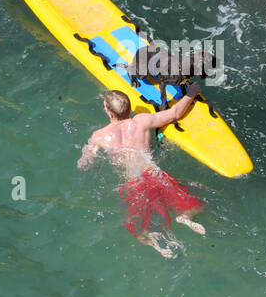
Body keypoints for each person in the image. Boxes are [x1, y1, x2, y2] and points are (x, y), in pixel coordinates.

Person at [77, 86, 206, 257]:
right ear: (129, 108)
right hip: (154, 173)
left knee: (140, 227)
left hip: (134, 183)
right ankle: (185, 217)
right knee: (195, 206)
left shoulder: (99, 136)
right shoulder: (141, 121)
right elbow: (175, 113)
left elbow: (85, 164)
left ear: (109, 113)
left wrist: (87, 155)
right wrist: (192, 92)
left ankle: (154, 241)